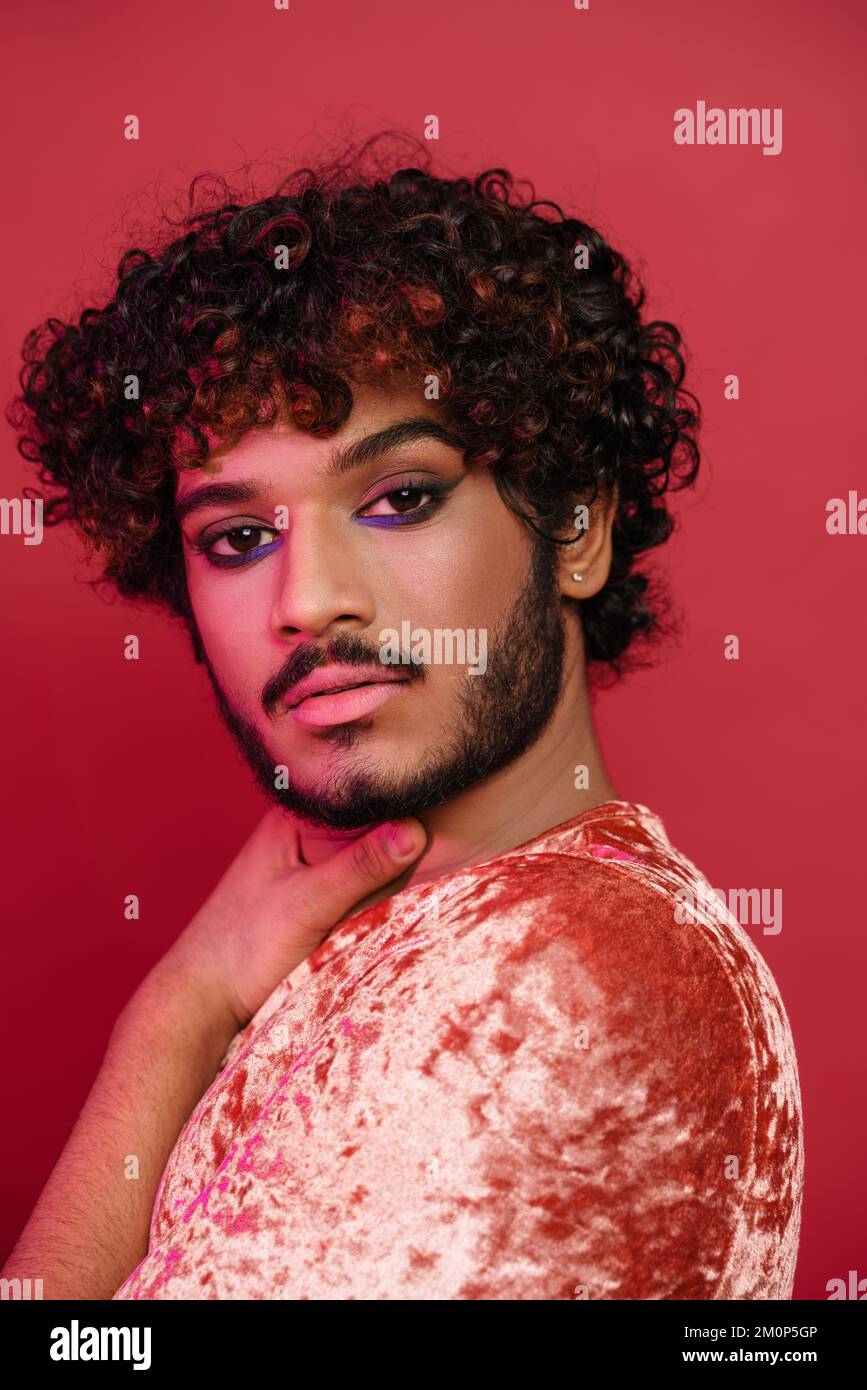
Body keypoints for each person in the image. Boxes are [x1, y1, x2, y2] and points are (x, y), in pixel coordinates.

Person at [2, 137, 803, 1299]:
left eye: (400, 499)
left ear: (575, 527)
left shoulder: (571, 979)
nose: (309, 598)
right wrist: (185, 1001)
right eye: (238, 537)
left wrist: (177, 1011)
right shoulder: (403, 940)